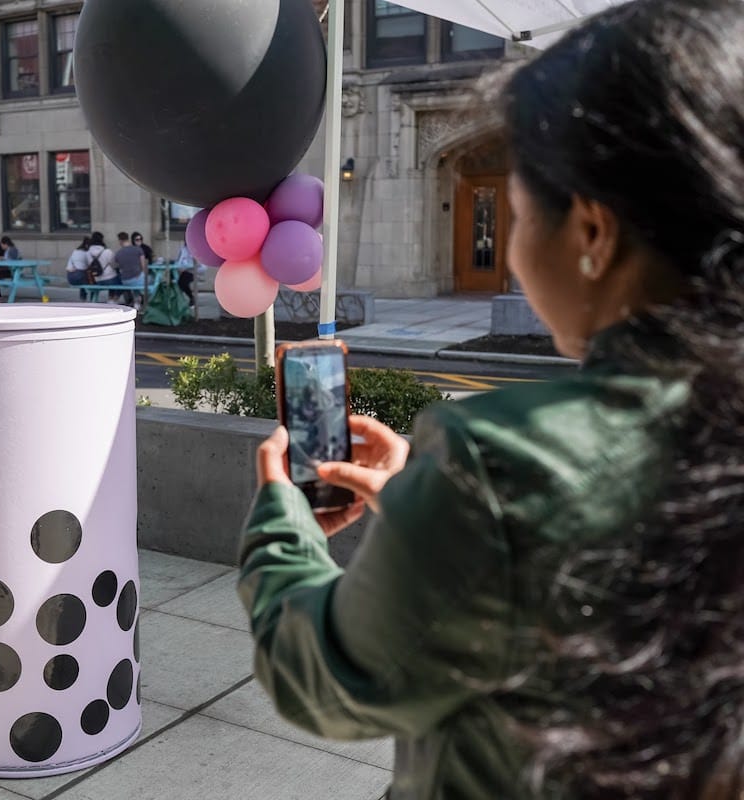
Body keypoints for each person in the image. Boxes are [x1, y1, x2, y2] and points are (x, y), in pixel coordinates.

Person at [238, 1, 744, 796]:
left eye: (519, 208)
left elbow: (324, 678)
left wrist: (280, 521)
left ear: (592, 233)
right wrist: (427, 505)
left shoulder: (499, 464)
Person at [113, 230, 146, 307]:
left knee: (135, 285)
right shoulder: (138, 249)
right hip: (137, 279)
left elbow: (116, 266)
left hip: (125, 280)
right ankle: (141, 302)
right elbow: (143, 265)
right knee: (151, 279)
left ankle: (136, 302)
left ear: (120, 240)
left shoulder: (118, 253)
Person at [87, 231, 118, 298]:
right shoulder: (107, 251)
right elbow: (114, 265)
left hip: (97, 280)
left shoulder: (88, 253)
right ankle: (112, 299)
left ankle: (93, 300)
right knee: (120, 281)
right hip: (110, 279)